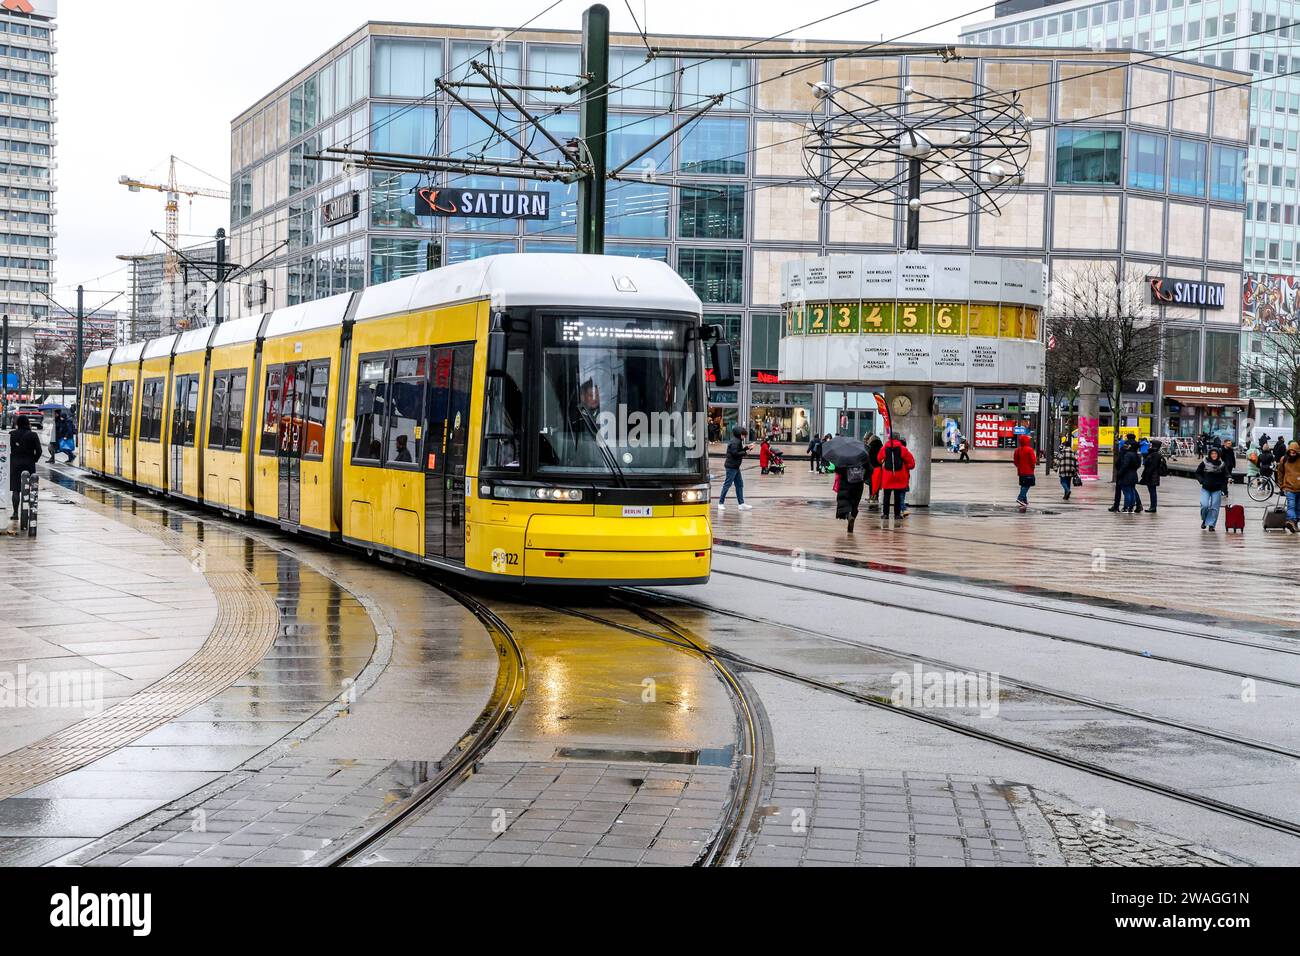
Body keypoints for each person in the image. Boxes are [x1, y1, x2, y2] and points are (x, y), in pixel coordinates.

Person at [8, 414, 41, 521]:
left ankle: (15, 513)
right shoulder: (33, 435)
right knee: (30, 489)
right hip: (29, 464)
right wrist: (34, 459)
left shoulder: (11, 434)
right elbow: (39, 451)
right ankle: (28, 513)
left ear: (17, 423)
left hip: (15, 464)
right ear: (28, 423)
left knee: (16, 489)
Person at [877, 433, 914, 522]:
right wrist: (906, 466)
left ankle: (885, 514)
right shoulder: (903, 449)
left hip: (887, 476)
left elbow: (879, 459)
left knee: (886, 496)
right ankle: (897, 515)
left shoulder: (884, 448)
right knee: (897, 496)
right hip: (900, 476)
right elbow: (911, 464)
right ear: (898, 439)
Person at [718, 425, 752, 512]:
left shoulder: (737, 440)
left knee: (739, 484)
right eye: (743, 435)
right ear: (738, 434)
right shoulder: (735, 442)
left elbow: (739, 451)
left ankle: (741, 504)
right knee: (727, 484)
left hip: (735, 466)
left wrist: (747, 448)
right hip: (731, 467)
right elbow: (735, 453)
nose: (744, 437)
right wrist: (746, 452)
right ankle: (720, 503)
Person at [1194, 446, 1229, 531]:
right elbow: (1197, 473)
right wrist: (1202, 481)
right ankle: (1205, 520)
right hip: (1206, 487)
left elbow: (1226, 475)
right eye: (1212, 453)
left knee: (1214, 508)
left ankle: (1211, 525)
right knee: (1204, 505)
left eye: (1215, 453)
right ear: (1210, 454)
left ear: (1218, 454)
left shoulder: (1222, 464)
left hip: (1217, 489)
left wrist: (1228, 480)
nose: (1214, 455)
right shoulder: (1204, 462)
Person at [834, 448, 867, 532]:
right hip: (859, 485)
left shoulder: (843, 457)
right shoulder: (863, 457)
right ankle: (852, 516)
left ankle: (848, 515)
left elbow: (837, 469)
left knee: (845, 501)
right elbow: (870, 470)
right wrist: (863, 478)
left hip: (846, 483)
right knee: (855, 503)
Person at [1116, 435, 1142, 513]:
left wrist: (1120, 473)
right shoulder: (1137, 455)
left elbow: (1124, 466)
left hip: (1126, 475)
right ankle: (1131, 508)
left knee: (1127, 492)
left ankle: (1126, 507)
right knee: (1132, 491)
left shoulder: (1128, 455)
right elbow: (1138, 465)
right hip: (1134, 475)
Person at [1277, 442, 1300, 534]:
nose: (1292, 453)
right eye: (1291, 451)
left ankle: (1294, 523)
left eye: (1294, 451)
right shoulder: (1284, 459)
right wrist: (1281, 485)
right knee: (1291, 506)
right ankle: (1291, 520)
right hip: (1289, 487)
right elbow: (1280, 473)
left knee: (1298, 507)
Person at [1013, 433, 1038, 512]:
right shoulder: (1030, 450)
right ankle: (1020, 498)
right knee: (1027, 485)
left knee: (1023, 484)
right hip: (1029, 471)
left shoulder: (1017, 450)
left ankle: (1024, 500)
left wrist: (1019, 467)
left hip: (1021, 471)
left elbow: (1015, 461)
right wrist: (1032, 467)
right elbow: (1033, 460)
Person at [1139, 439, 1164, 514]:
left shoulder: (1155, 454)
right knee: (1152, 491)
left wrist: (1147, 475)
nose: (1149, 445)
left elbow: (1152, 466)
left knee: (1152, 492)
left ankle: (1153, 507)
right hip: (1152, 475)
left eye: (1151, 444)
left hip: (1152, 476)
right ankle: (1152, 506)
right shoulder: (1153, 453)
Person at [865, 433, 883, 508]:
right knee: (877, 484)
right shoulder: (881, 447)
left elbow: (867, 457)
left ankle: (871, 496)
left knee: (871, 483)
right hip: (878, 467)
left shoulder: (870, 447)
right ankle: (876, 497)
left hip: (871, 467)